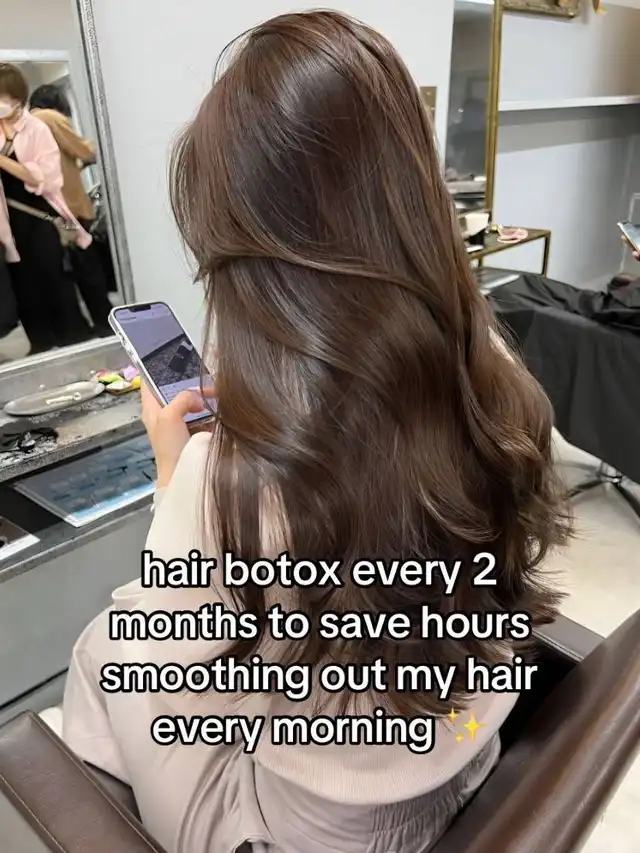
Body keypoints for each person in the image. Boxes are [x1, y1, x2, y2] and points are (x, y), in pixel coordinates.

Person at [62, 12, 571, 853]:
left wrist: (175, 474)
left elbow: (172, 650)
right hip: (458, 751)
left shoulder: (229, 478)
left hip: (313, 830)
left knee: (105, 647)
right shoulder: (497, 377)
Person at [0, 63, 93, 354]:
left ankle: (73, 341)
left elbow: (46, 179)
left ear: (16, 96)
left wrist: (3, 161)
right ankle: (40, 345)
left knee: (53, 280)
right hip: (8, 223)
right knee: (23, 288)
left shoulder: (37, 128)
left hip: (40, 217)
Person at [30, 84, 113, 336]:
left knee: (69, 271)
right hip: (70, 210)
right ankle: (105, 323)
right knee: (88, 266)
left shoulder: (27, 126)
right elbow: (85, 149)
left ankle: (83, 326)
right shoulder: (48, 118)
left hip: (48, 212)